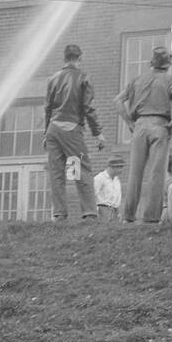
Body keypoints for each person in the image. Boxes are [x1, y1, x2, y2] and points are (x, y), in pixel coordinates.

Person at [114, 46, 172, 224]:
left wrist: (129, 122)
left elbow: (118, 100)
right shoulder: (169, 80)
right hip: (160, 125)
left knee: (135, 172)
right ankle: (151, 217)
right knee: (156, 172)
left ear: (152, 63)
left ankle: (128, 215)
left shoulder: (137, 80)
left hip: (139, 126)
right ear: (167, 65)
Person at [43, 44, 106, 222]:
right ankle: (89, 213)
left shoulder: (53, 79)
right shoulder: (84, 78)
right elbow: (88, 108)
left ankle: (59, 214)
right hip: (71, 130)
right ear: (80, 58)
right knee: (79, 170)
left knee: (56, 173)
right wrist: (98, 133)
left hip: (53, 130)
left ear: (64, 59)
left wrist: (45, 134)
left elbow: (47, 108)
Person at [93, 156, 124, 222]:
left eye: (121, 167)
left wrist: (119, 212)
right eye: (119, 167)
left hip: (115, 211)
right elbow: (92, 195)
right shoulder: (99, 178)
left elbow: (118, 197)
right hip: (103, 210)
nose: (121, 170)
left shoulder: (117, 180)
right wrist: (96, 212)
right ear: (111, 167)